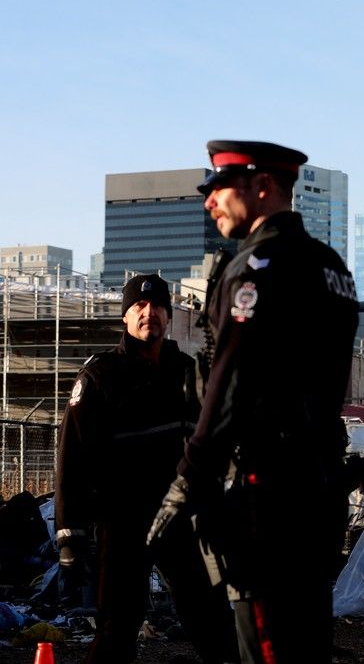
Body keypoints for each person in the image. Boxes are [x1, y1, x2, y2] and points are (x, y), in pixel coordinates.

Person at [147, 140, 359, 663]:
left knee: (264, 645)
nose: (209, 202)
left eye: (220, 188)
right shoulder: (333, 268)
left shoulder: (256, 269)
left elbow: (231, 380)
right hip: (320, 487)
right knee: (306, 639)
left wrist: (187, 482)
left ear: (261, 187)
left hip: (269, 495)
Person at [55, 273, 238, 664]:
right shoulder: (99, 377)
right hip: (123, 522)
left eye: (157, 306)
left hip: (182, 521)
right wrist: (69, 532)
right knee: (117, 629)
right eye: (138, 306)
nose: (148, 313)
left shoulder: (189, 374)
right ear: (125, 316)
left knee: (213, 621)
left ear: (168, 315)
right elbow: (72, 459)